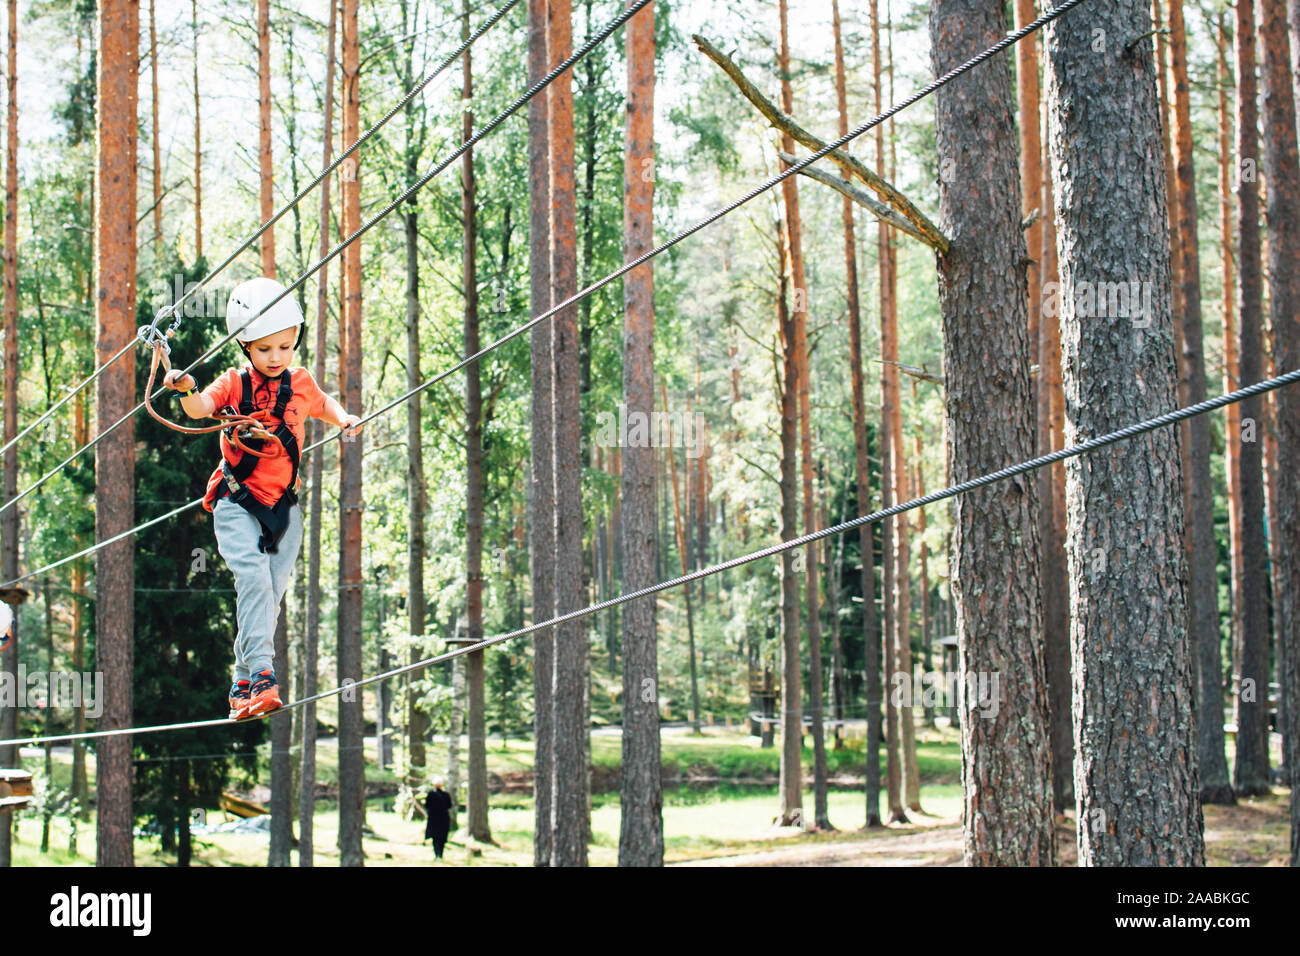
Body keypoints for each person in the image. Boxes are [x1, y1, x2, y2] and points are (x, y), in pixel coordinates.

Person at [163, 277, 361, 719]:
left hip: (284, 510)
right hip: (237, 502)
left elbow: (323, 402)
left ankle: (242, 683)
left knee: (269, 596)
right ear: (247, 347)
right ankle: (264, 675)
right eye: (265, 348)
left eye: (284, 347)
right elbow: (198, 410)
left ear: (295, 343)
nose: (276, 357)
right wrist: (187, 389)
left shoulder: (301, 381)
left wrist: (343, 417)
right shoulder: (234, 384)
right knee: (252, 581)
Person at [424, 778, 453, 859]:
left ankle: (437, 854)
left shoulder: (431, 794)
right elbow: (449, 805)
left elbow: (427, 805)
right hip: (443, 818)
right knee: (442, 837)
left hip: (434, 819)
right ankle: (440, 854)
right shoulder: (446, 794)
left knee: (435, 837)